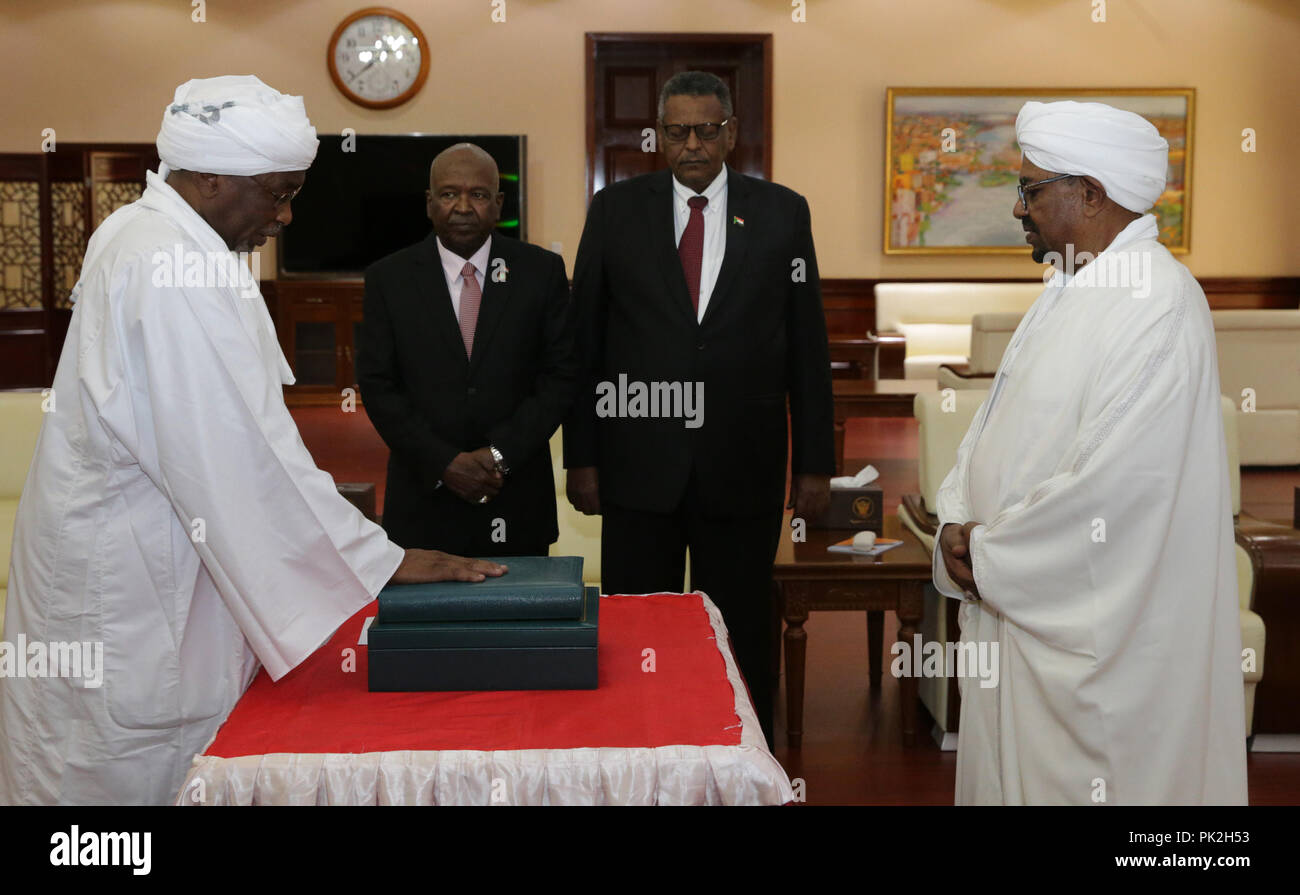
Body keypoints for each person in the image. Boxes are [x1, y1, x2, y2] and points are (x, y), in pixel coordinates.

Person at [0, 76, 505, 806]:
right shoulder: (167, 268)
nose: (285, 214)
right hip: (132, 594)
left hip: (152, 561)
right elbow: (234, 459)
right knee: (116, 790)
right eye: (277, 193)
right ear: (210, 179)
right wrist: (381, 560)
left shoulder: (159, 236)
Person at [933, 100, 1247, 804]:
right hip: (1016, 621)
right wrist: (956, 518)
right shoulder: (1071, 286)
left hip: (1096, 666)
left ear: (1093, 194)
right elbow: (993, 426)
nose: (1018, 209)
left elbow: (1115, 494)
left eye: (1032, 190)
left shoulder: (1155, 304)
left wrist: (986, 552)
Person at [564, 71, 835, 746]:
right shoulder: (614, 211)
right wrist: (583, 458)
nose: (693, 145)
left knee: (741, 626)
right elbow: (583, 347)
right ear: (659, 136)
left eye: (707, 130)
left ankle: (743, 754)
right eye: (678, 131)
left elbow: (807, 342)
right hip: (637, 468)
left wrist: (816, 466)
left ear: (731, 133)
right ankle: (638, 747)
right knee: (636, 633)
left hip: (742, 463)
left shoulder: (782, 212)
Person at [358, 144, 576, 557]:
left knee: (519, 619)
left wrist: (498, 455)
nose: (462, 206)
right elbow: (378, 385)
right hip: (423, 499)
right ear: (429, 203)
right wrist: (445, 463)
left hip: (515, 499)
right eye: (448, 194)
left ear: (498, 204)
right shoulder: (389, 279)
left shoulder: (540, 272)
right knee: (427, 622)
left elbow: (560, 377)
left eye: (477, 194)